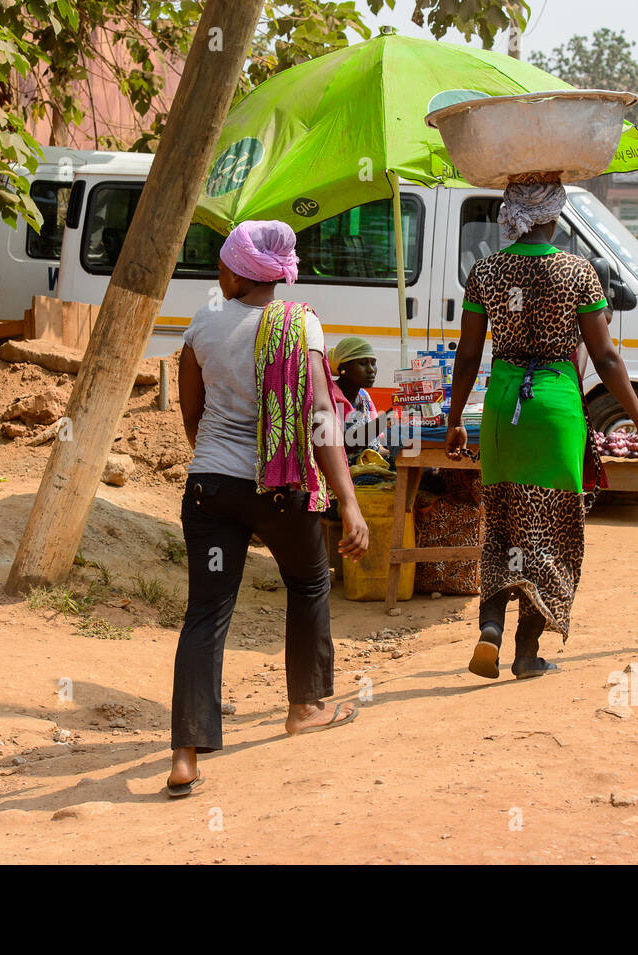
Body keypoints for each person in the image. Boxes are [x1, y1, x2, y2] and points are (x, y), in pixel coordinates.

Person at [170, 219, 369, 797]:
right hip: (280, 488)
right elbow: (320, 418)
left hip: (210, 488)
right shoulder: (300, 324)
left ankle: (186, 754)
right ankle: (304, 707)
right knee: (308, 583)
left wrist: (218, 465)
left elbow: (191, 414)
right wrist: (347, 502)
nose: (218, 273)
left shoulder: (202, 323)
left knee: (205, 613)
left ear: (236, 270)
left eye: (223, 264)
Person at [446, 174, 638, 681]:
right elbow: (606, 357)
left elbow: (469, 355)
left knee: (502, 523)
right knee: (549, 528)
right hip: (553, 408)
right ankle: (525, 653)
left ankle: (490, 629)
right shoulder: (577, 272)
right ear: (555, 214)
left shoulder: (485, 272)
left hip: (501, 408)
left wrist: (456, 419)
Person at [328, 336, 392, 457]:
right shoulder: (330, 397)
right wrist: (377, 426)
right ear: (343, 368)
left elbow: (376, 444)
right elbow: (340, 445)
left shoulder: (364, 396)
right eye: (362, 364)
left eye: (373, 364)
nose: (370, 370)